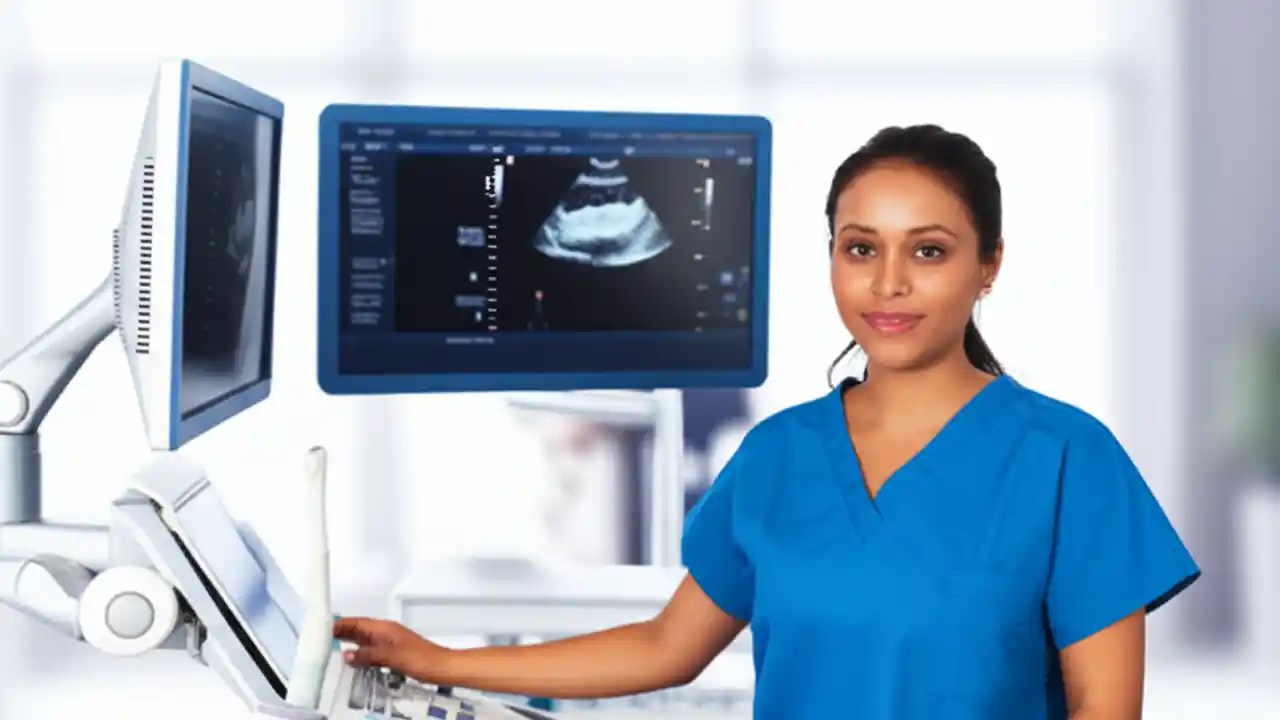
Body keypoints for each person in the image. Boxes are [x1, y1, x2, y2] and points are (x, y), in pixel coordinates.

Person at [334, 125, 1200, 719]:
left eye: (927, 251)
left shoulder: (1066, 459)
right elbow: (665, 647)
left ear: (988, 268)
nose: (887, 284)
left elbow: (1106, 708)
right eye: (861, 248)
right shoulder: (778, 456)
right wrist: (435, 659)